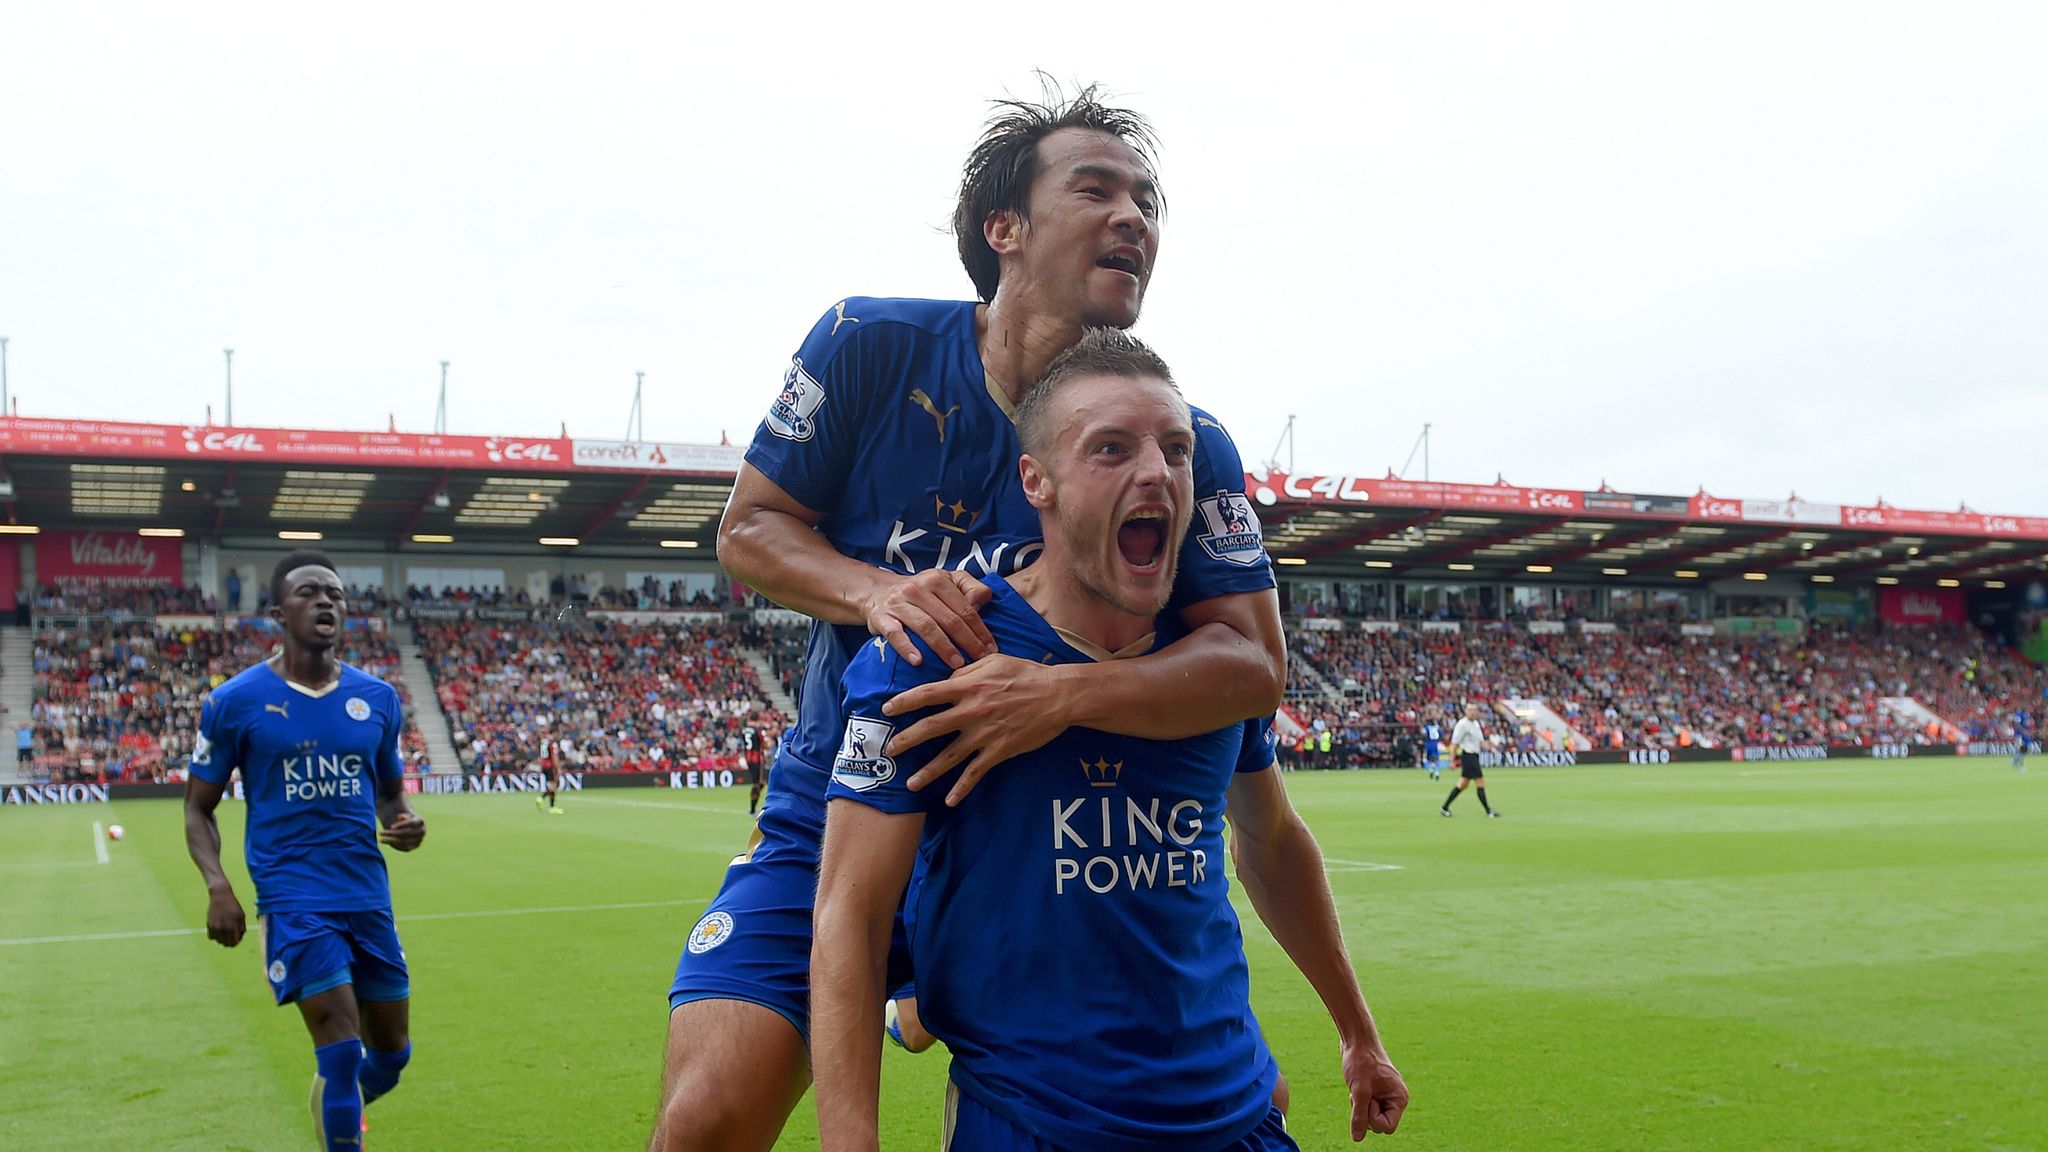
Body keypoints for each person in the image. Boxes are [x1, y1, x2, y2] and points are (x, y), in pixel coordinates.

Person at [651, 84, 1285, 1152]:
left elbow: (1249, 664)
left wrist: (1061, 695)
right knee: (705, 1121)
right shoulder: (867, 347)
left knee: (1182, 1105)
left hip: (1036, 838)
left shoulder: (1178, 444)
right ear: (1003, 229)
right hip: (839, 800)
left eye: (1146, 200)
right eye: (1096, 188)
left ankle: (935, 978)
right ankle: (918, 987)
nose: (1134, 216)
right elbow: (747, 532)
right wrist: (878, 590)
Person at [812, 333, 1404, 1150]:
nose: (1156, 471)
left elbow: (1271, 842)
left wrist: (1358, 1033)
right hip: (1034, 1125)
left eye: (1176, 450)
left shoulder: (1212, 673)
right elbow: (850, 910)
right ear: (1037, 482)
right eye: (1111, 449)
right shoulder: (936, 654)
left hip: (1238, 1121)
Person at [183, 551, 426, 1151]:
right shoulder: (233, 703)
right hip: (293, 899)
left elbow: (392, 798)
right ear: (276, 614)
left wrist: (405, 822)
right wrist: (218, 885)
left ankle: (336, 1107)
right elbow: (197, 808)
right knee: (340, 1053)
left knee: (391, 1055)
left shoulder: (378, 700)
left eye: (336, 596)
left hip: (367, 894)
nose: (325, 603)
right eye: (310, 593)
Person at [1441, 702, 1498, 817]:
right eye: (1470, 710)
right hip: (1468, 756)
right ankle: (1488, 811)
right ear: (1466, 711)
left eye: (1474, 710)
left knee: (1463, 784)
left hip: (1474, 756)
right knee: (1480, 782)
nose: (1473, 712)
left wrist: (1490, 747)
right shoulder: (1462, 725)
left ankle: (1444, 807)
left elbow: (1481, 742)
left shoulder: (1476, 724)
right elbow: (1454, 743)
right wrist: (1451, 760)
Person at [535, 738, 566, 814]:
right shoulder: (552, 743)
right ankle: (549, 805)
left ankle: (544, 800)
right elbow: (554, 756)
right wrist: (557, 768)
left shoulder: (544, 742)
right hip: (550, 766)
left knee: (551, 786)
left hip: (544, 766)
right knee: (553, 786)